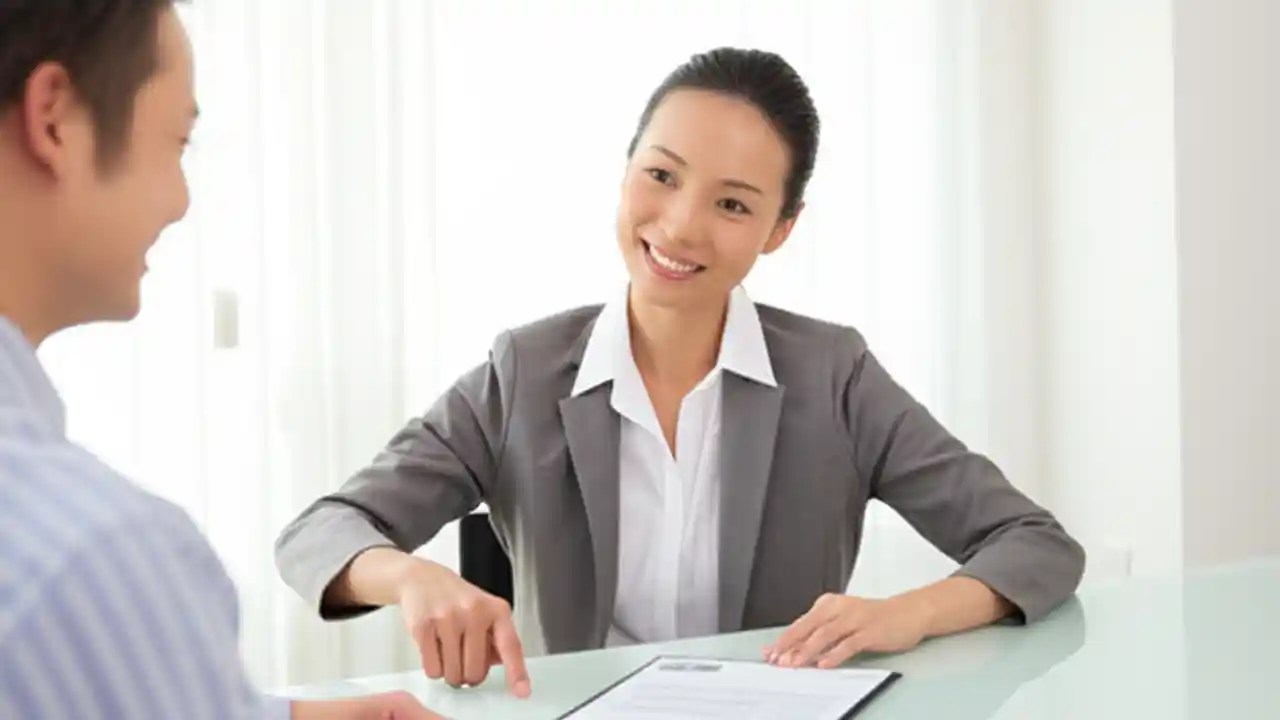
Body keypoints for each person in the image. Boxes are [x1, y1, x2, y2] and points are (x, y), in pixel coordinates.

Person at [276, 46, 1086, 695]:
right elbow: (319, 532)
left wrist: (910, 613)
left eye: (733, 204)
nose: (681, 226)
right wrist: (410, 576)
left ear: (779, 229)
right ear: (626, 168)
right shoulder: (523, 372)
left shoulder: (833, 375)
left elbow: (1036, 544)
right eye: (660, 175)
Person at [0, 1, 443, 717]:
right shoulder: (95, 564)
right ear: (55, 120)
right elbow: (320, 530)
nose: (180, 203)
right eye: (179, 143)